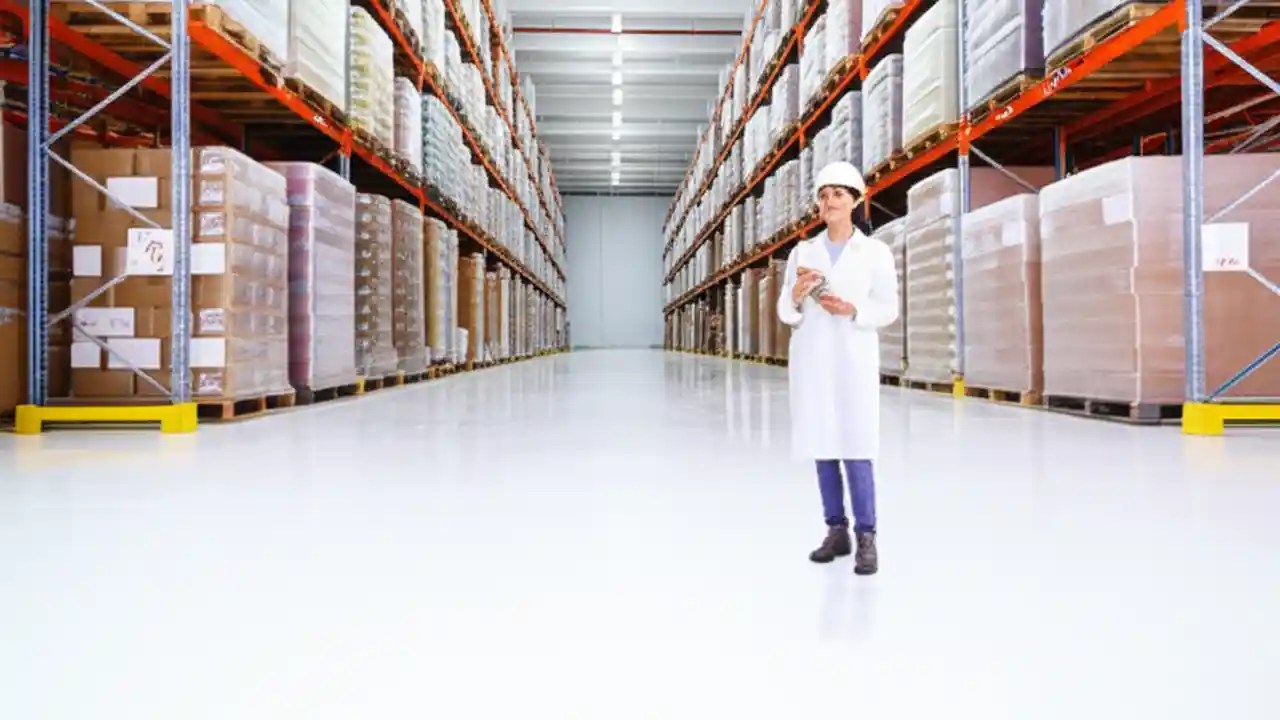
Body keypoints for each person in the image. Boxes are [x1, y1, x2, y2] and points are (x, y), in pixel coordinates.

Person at [776, 161, 900, 576]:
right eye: (824, 195)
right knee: (822, 445)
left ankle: (867, 537)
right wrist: (794, 294)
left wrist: (853, 309)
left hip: (853, 356)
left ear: (855, 201)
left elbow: (888, 308)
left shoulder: (875, 252)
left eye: (838, 195)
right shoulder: (802, 252)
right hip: (813, 357)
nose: (829, 202)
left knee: (857, 446)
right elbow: (784, 311)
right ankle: (836, 530)